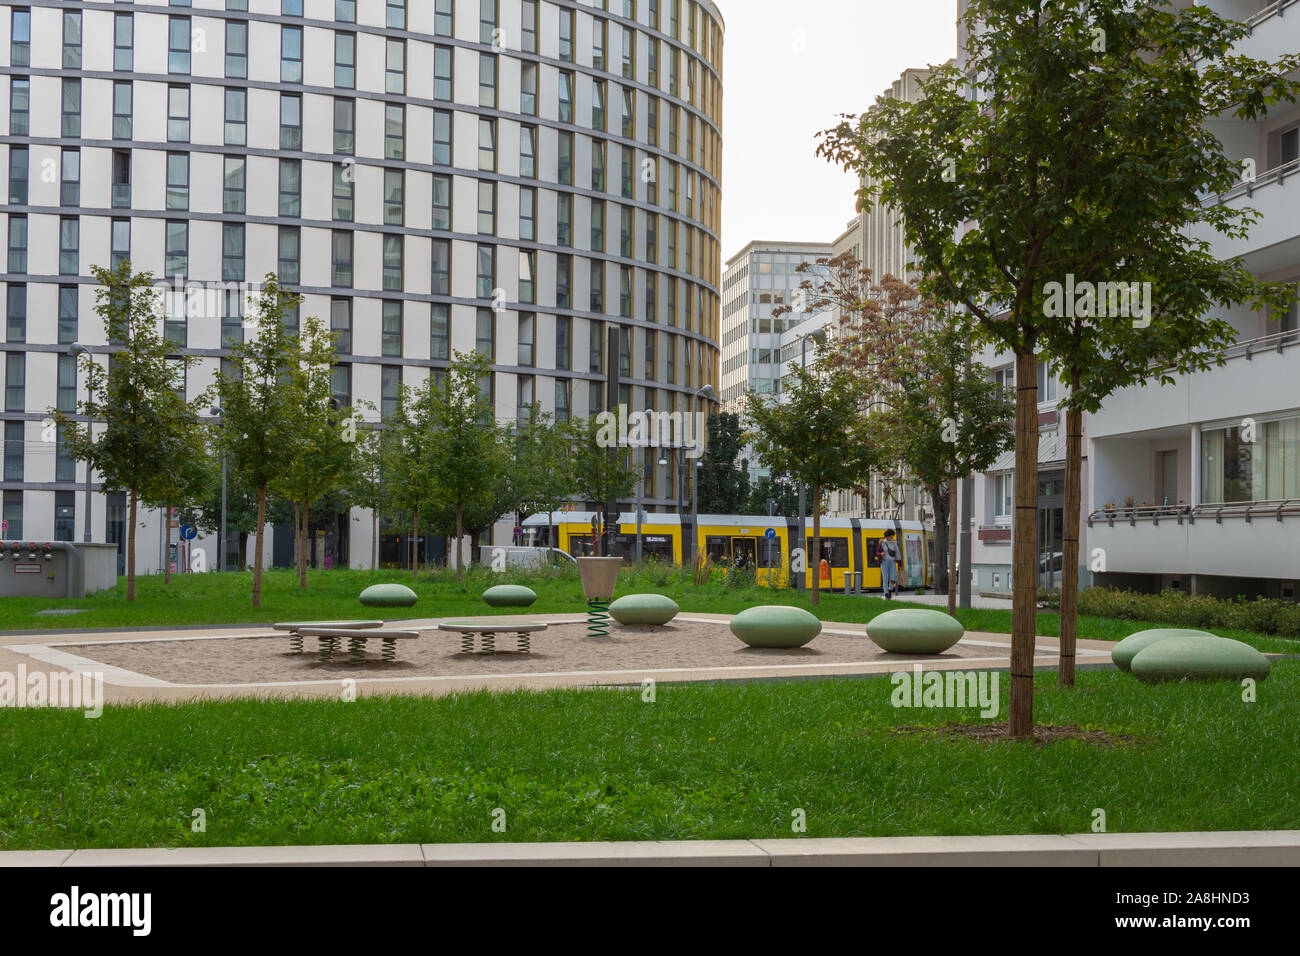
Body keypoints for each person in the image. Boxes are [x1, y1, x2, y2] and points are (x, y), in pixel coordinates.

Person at [878, 530, 902, 600]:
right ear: (886, 536)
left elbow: (898, 553)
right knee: (885, 578)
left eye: (892, 536)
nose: (892, 537)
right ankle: (886, 594)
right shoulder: (882, 543)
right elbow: (877, 552)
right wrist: (881, 554)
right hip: (884, 562)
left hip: (892, 562)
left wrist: (900, 564)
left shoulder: (894, 543)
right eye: (891, 536)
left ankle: (890, 590)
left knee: (892, 579)